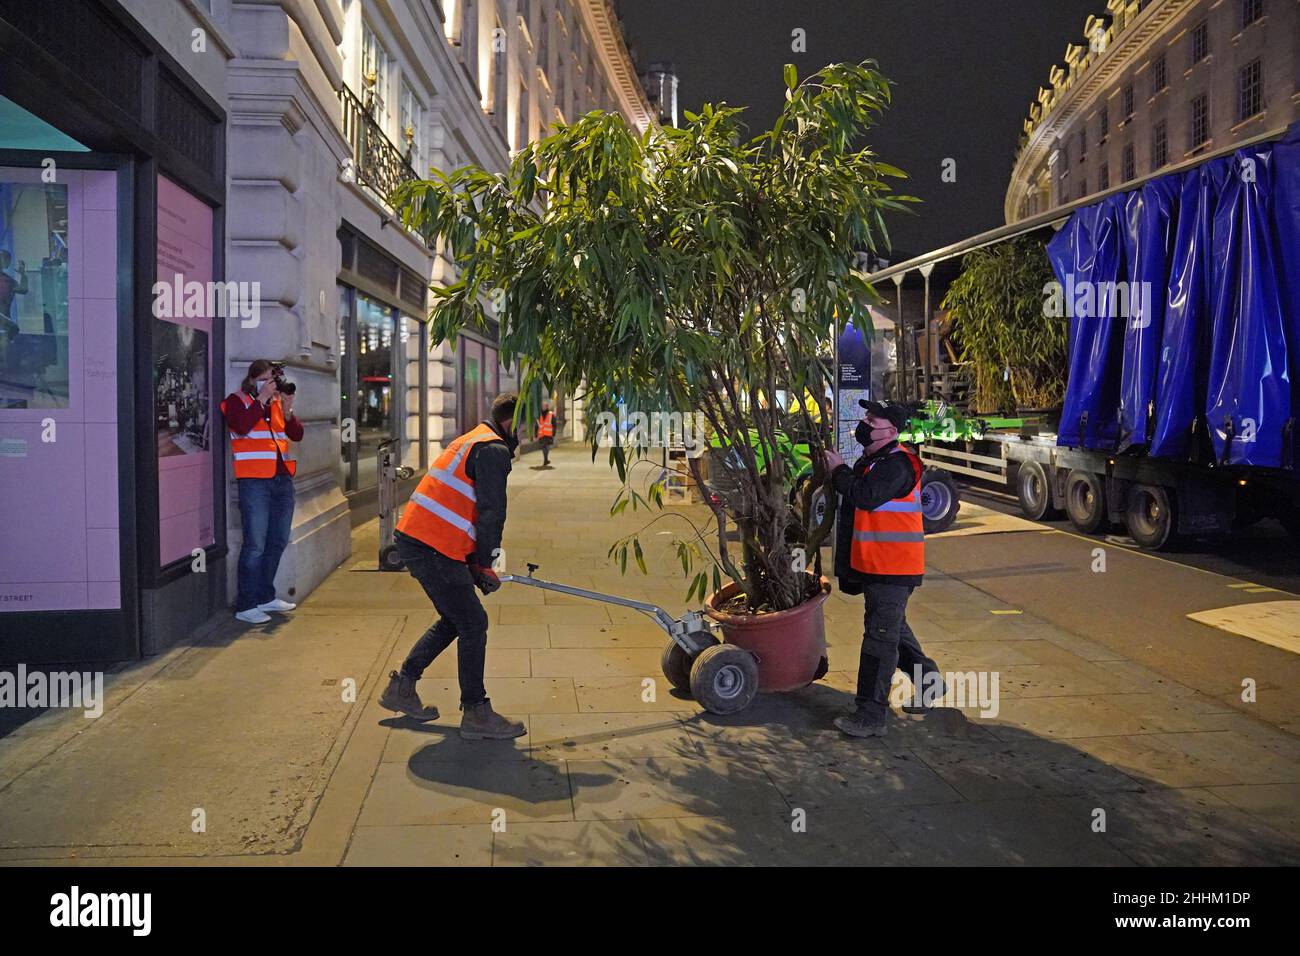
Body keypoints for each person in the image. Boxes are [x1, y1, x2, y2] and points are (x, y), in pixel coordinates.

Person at [379, 392, 526, 740]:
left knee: (457, 618)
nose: (525, 432)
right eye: (524, 423)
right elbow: (491, 514)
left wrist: (474, 566)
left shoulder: (474, 438)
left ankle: (402, 687)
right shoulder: (493, 450)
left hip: (425, 540)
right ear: (511, 422)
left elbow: (466, 511)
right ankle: (476, 713)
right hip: (430, 544)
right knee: (473, 622)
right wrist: (487, 564)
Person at [824, 399, 943, 737]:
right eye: (866, 416)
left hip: (894, 567)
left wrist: (837, 471)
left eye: (872, 419)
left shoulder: (898, 465)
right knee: (892, 629)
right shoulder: (876, 460)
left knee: (879, 639)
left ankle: (870, 715)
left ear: (890, 430)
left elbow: (864, 495)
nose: (865, 422)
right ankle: (930, 684)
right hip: (878, 566)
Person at [221, 360, 302, 625]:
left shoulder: (277, 404)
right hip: (254, 482)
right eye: (267, 380)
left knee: (277, 540)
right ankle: (246, 604)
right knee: (255, 544)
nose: (272, 386)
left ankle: (265, 595)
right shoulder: (236, 401)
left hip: (281, 480)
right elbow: (240, 426)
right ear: (254, 379)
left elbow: (296, 434)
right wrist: (261, 399)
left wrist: (288, 411)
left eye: (274, 381)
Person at [536, 400, 555, 467]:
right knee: (544, 447)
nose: (543, 407)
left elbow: (554, 424)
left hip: (548, 434)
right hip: (541, 434)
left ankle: (545, 459)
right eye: (542, 406)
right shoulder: (539, 414)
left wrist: (554, 432)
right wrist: (536, 433)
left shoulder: (551, 414)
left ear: (547, 406)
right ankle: (546, 459)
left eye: (544, 406)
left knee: (546, 447)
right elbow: (537, 424)